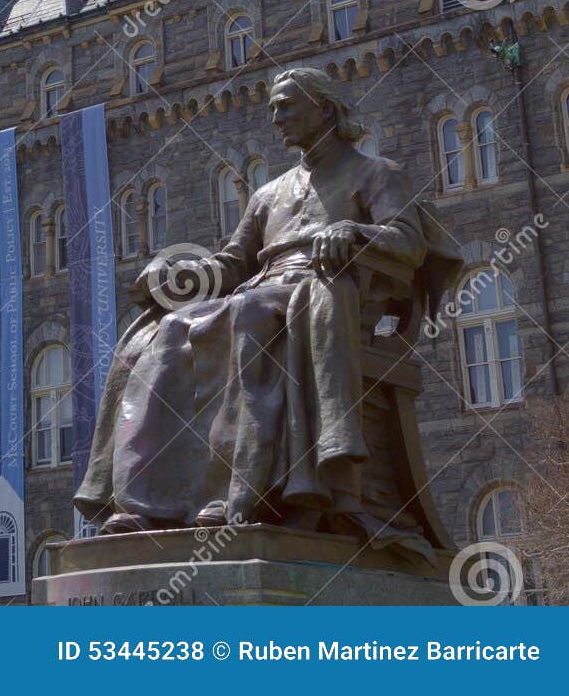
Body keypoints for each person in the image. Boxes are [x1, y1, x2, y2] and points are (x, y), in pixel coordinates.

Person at [75, 66, 460, 544]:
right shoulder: (267, 194)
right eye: (272, 108)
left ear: (323, 108)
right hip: (260, 289)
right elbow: (233, 264)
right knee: (167, 329)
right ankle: (144, 501)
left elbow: (408, 242)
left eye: (286, 105)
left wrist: (354, 231)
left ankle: (239, 493)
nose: (276, 118)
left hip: (323, 289)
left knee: (248, 314)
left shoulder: (376, 173)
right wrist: (177, 276)